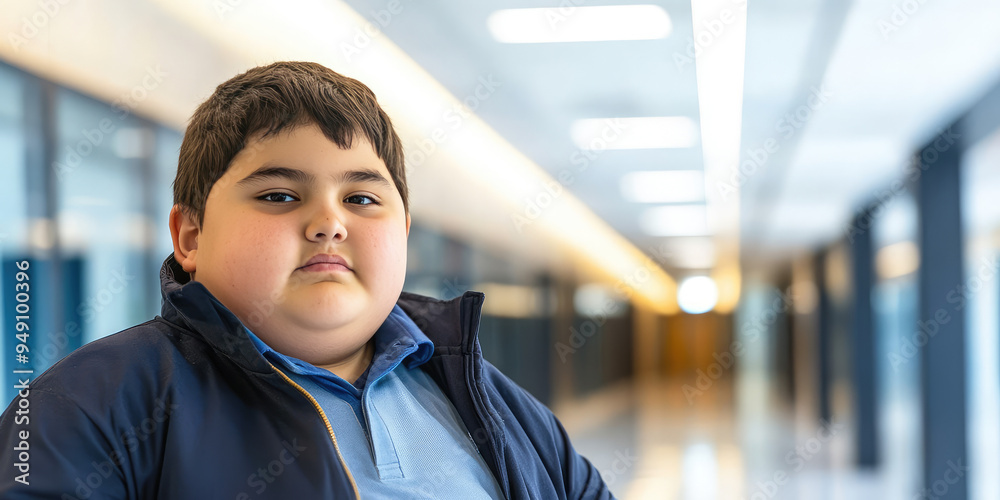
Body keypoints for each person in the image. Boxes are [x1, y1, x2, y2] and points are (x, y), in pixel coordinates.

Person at [0, 61, 613, 499]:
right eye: (278, 194)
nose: (328, 223)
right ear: (190, 236)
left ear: (402, 233)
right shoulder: (84, 407)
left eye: (363, 199)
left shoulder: (494, 401)